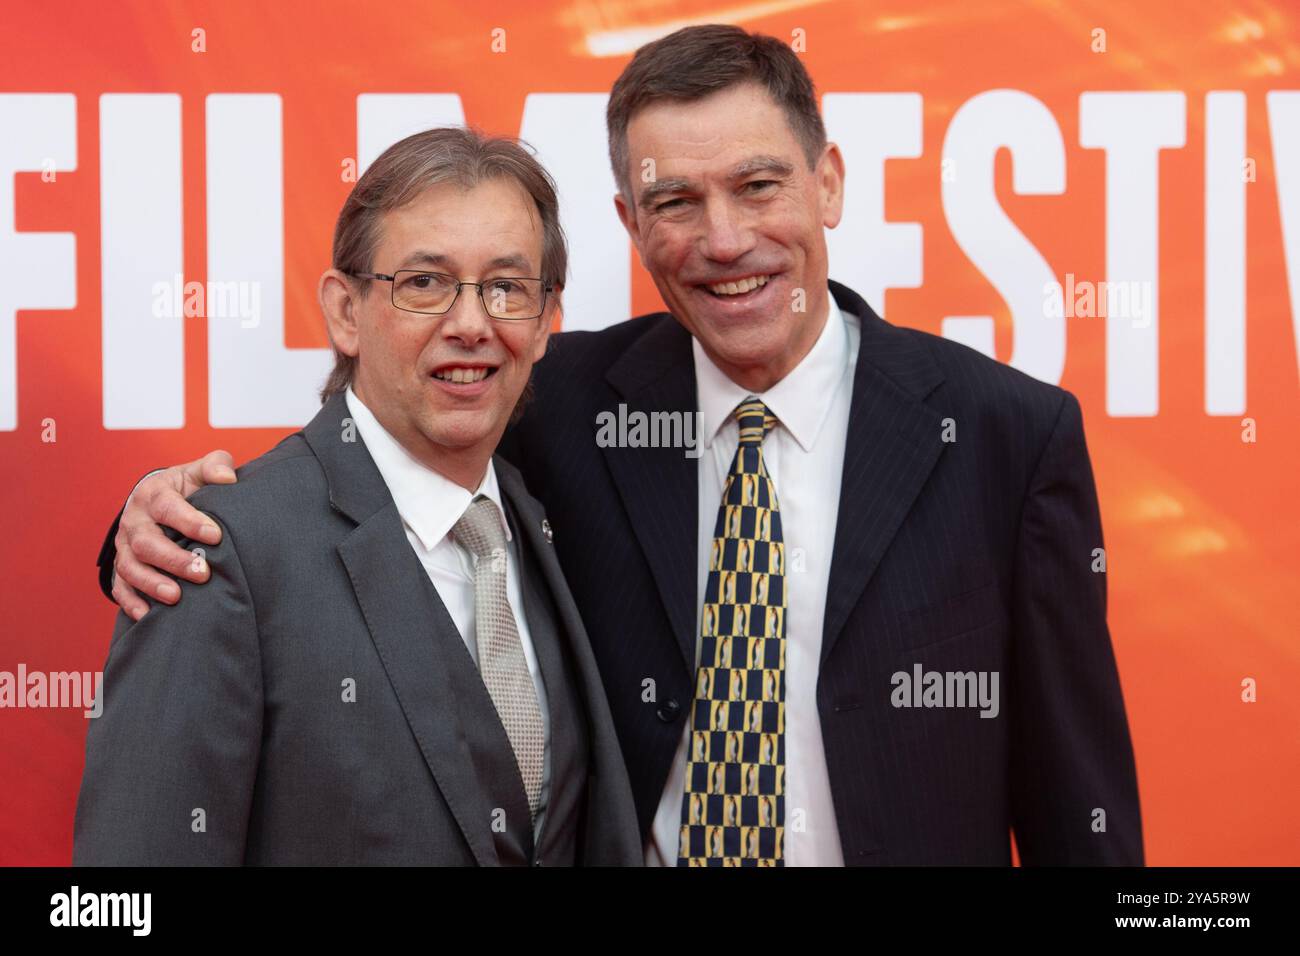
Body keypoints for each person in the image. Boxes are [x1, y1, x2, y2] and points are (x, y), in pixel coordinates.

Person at [96, 25, 1143, 866]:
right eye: (675, 202)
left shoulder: (1005, 434)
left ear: (827, 181)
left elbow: (1076, 806)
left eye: (759, 184)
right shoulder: (555, 402)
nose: (724, 238)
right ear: (630, 223)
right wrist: (152, 520)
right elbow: (374, 459)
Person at [75, 127, 642, 866]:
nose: (470, 325)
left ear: (545, 324)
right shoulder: (220, 553)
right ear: (345, 312)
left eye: (506, 288)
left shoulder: (550, 516)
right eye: (424, 283)